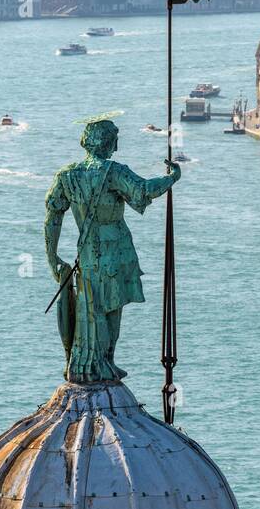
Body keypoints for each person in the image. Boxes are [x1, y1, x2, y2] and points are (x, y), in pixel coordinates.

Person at [44, 115, 180, 382]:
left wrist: (52, 257)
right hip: (115, 251)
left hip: (87, 252)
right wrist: (172, 177)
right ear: (105, 143)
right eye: (115, 141)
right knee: (111, 307)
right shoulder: (113, 171)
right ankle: (104, 361)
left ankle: (90, 363)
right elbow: (143, 190)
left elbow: (52, 216)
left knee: (91, 306)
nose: (116, 148)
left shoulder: (67, 175)